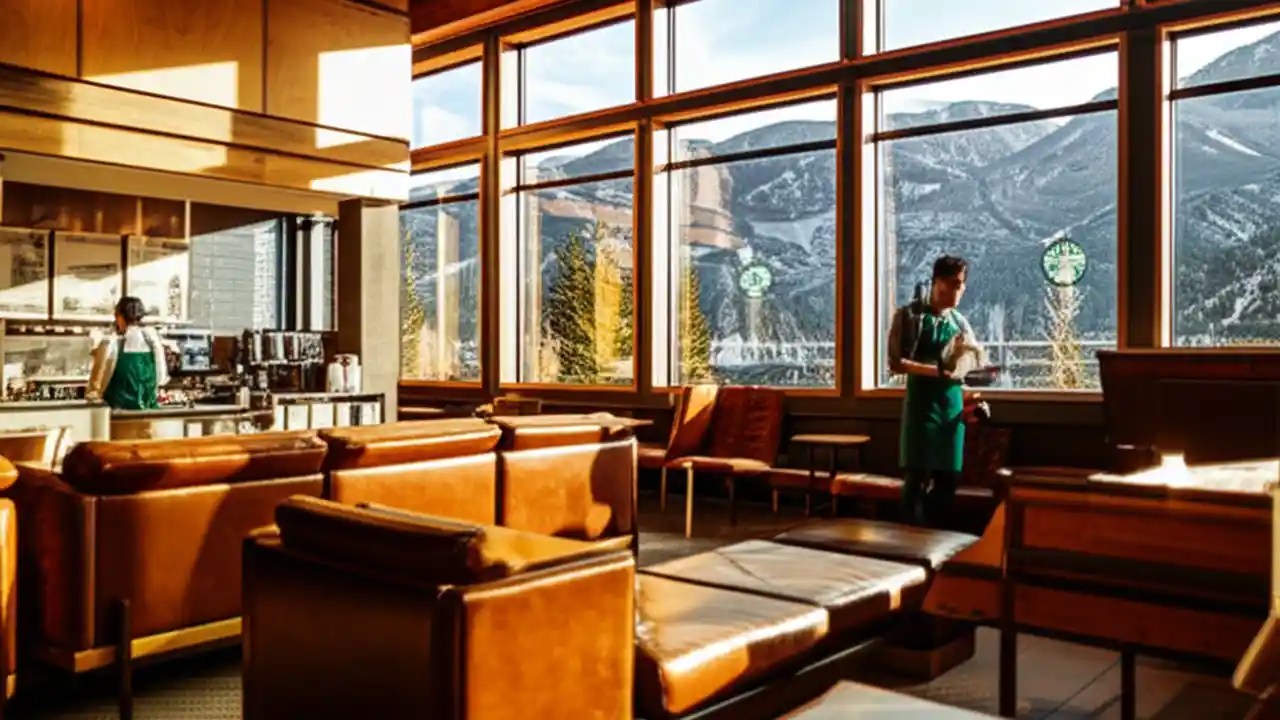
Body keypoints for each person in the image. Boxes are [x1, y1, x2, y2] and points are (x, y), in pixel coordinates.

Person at [886, 255, 980, 527]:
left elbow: (968, 367)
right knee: (916, 477)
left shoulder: (960, 322)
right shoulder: (910, 316)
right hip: (922, 405)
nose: (956, 290)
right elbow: (896, 362)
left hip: (952, 405)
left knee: (948, 478)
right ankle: (911, 537)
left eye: (960, 285)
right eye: (950, 283)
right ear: (935, 282)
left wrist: (974, 400)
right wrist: (936, 372)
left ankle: (932, 533)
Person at [86, 296, 169, 410]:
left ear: (120, 317)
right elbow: (161, 378)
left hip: (118, 415)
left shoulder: (111, 341)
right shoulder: (152, 340)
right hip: (148, 414)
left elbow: (95, 384)